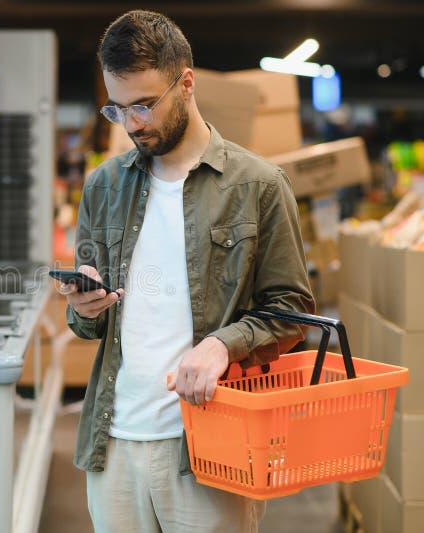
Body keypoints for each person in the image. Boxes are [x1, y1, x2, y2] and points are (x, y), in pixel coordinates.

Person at [60, 10, 315, 533]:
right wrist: (82, 309)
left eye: (145, 106)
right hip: (114, 444)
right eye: (118, 109)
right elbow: (89, 327)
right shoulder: (102, 187)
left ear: (188, 83)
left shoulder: (259, 186)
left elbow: (293, 310)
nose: (133, 124)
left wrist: (223, 344)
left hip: (210, 446)